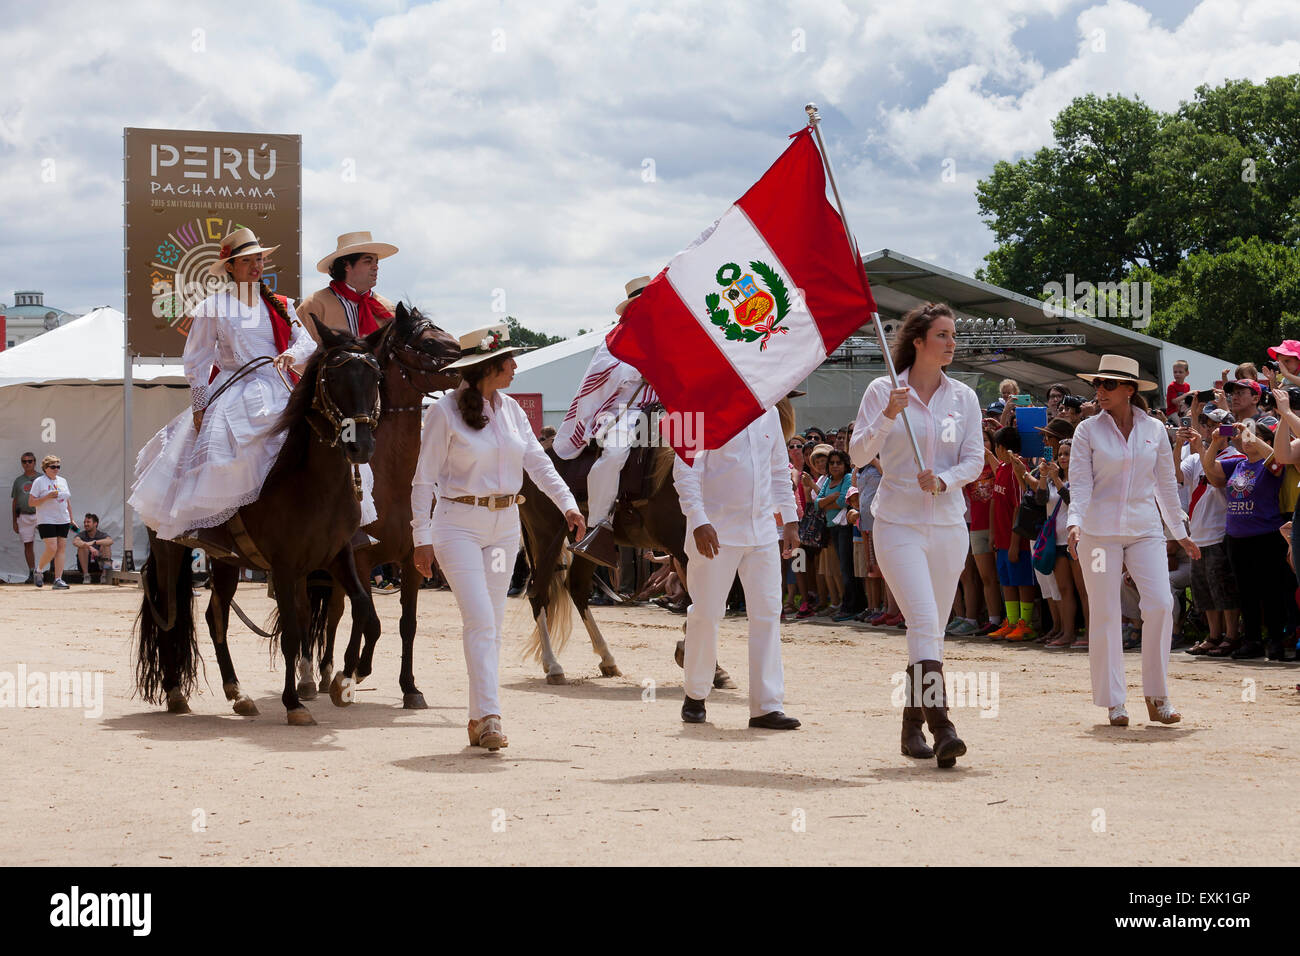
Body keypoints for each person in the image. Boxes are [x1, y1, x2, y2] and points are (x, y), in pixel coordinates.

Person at [412, 324, 585, 752]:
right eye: (509, 360)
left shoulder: (511, 410)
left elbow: (539, 463)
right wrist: (420, 536)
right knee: (481, 620)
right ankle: (491, 716)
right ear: (488, 366)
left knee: (491, 623)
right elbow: (423, 480)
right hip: (458, 526)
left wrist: (568, 504)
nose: (515, 366)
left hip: (505, 525)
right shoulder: (443, 413)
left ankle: (478, 717)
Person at [851, 302, 984, 768]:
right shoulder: (882, 388)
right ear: (919, 341)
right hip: (897, 524)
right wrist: (887, 414)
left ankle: (910, 725)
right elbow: (857, 453)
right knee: (925, 624)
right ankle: (943, 725)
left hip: (948, 525)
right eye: (943, 335)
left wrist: (944, 480)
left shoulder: (964, 397)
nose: (952, 343)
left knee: (928, 632)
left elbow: (975, 459)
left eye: (953, 335)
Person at [130, 228, 316, 546]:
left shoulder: (282, 303)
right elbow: (197, 359)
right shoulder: (213, 306)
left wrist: (290, 354)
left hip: (280, 385)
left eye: (259, 259)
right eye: (247, 261)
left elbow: (309, 344)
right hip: (234, 387)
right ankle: (218, 530)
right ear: (230, 267)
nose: (256, 265)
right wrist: (201, 404)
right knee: (227, 450)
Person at [1066, 355, 1199, 727]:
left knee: (1159, 604)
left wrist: (1181, 534)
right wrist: (1075, 523)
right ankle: (1114, 701)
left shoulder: (1155, 430)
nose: (1100, 391)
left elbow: (1166, 486)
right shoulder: (1087, 430)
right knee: (1106, 612)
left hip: (1145, 530)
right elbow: (1081, 483)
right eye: (1098, 384)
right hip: (1097, 533)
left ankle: (1158, 696)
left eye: (1108, 384)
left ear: (1129, 389)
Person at [675, 405, 801, 730]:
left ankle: (766, 706)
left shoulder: (770, 411)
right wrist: (698, 519)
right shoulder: (697, 408)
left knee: (768, 613)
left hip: (761, 531)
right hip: (715, 530)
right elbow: (685, 469)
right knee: (706, 613)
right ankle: (695, 694)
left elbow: (778, 471)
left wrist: (789, 520)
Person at [556, 277, 658, 567]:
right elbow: (605, 373)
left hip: (668, 408)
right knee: (614, 454)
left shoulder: (671, 333)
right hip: (628, 410)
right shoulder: (617, 338)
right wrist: (642, 369)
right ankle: (600, 526)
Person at [1203, 419, 1289, 660]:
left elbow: (1276, 457)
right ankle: (1252, 640)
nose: (1245, 439)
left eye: (1252, 436)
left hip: (1266, 536)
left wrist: (1250, 434)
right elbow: (1209, 467)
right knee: (1246, 592)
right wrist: (1215, 442)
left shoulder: (1269, 464)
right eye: (1244, 436)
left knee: (1271, 591)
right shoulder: (1238, 464)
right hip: (1237, 538)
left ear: (1264, 440)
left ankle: (1275, 640)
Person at [297, 231, 399, 339]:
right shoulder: (315, 305)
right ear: (347, 265)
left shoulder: (387, 308)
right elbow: (296, 349)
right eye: (368, 261)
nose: (375, 267)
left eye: (376, 262)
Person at [29, 454, 74, 589]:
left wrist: (71, 518)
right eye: (53, 466)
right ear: (45, 468)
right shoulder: (39, 482)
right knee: (52, 548)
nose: (56, 469)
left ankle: (58, 579)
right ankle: (39, 570)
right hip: (46, 519)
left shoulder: (62, 481)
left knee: (61, 548)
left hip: (63, 518)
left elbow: (67, 500)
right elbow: (31, 502)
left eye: (58, 466)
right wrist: (47, 497)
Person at [11, 451, 40, 584]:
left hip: (41, 514)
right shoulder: (18, 481)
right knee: (28, 545)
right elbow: (15, 502)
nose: (27, 463)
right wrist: (14, 521)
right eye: (24, 461)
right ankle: (32, 572)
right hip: (24, 516)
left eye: (30, 461)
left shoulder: (42, 478)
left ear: (35, 462)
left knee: (51, 542)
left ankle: (55, 572)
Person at [71, 513, 113, 583]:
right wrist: (89, 547)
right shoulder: (82, 534)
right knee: (82, 547)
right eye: (84, 522)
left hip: (99, 564)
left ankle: (104, 575)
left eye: (88, 522)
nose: (86, 524)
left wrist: (95, 542)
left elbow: (110, 541)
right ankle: (86, 575)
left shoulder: (101, 534)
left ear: (95, 523)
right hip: (85, 565)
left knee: (106, 545)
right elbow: (75, 542)